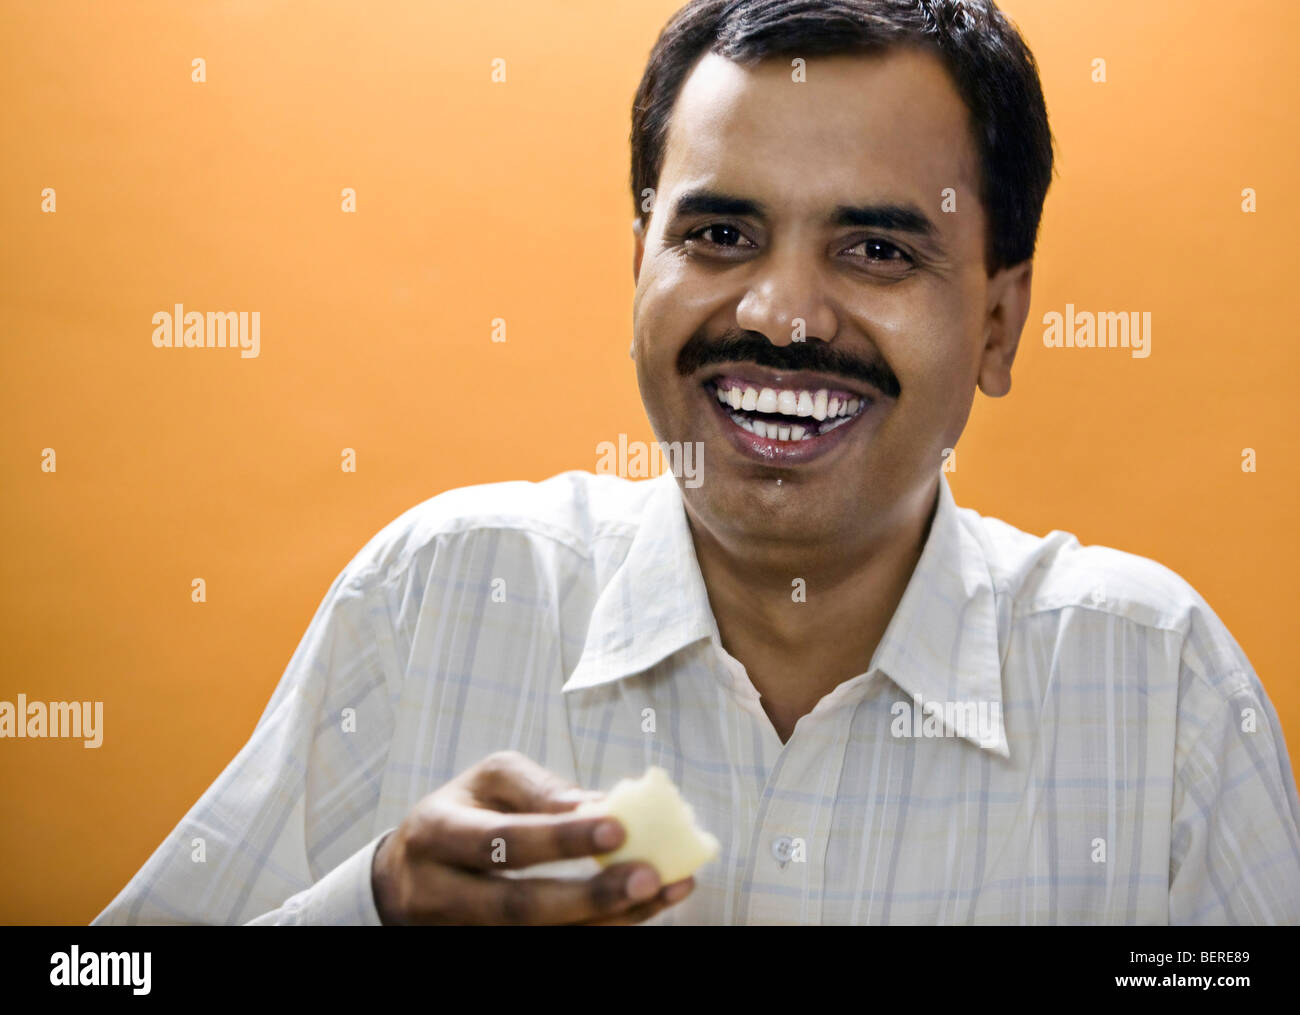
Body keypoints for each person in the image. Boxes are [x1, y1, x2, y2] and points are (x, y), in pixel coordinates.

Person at [94, 0, 1300, 926]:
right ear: (639, 268)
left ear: (996, 322)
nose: (781, 314)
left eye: (876, 248)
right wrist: (375, 903)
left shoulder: (1158, 689)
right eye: (719, 233)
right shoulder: (438, 596)